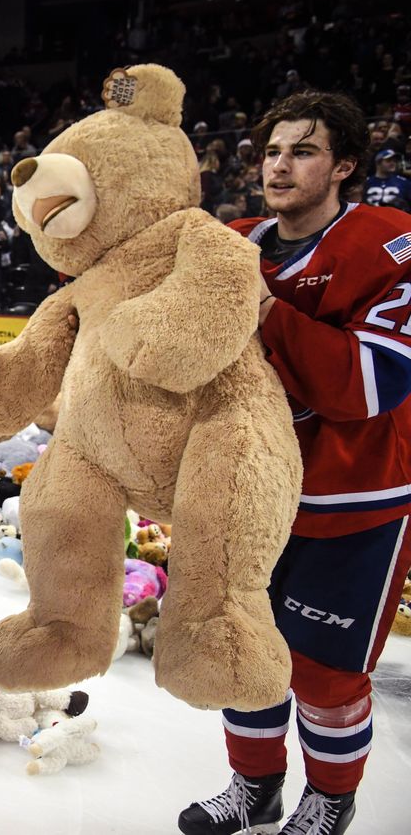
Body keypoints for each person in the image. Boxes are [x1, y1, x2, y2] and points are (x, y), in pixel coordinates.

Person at [179, 91, 411, 835]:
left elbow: (371, 386)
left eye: (303, 151)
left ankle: (330, 800)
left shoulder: (390, 242)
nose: (280, 165)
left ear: (343, 165)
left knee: (325, 672)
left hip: (355, 498)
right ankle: (256, 788)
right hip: (250, 499)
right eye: (273, 150)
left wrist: (268, 311)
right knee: (245, 650)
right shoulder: (234, 241)